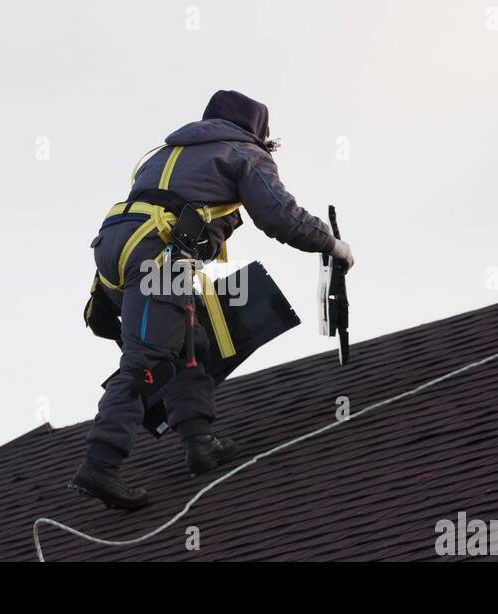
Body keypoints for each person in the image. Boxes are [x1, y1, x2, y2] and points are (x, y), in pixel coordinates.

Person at [70, 90, 355, 510]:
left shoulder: (166, 153)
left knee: (189, 339)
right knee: (147, 359)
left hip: (116, 248)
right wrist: (333, 246)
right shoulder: (243, 153)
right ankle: (101, 463)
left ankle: (200, 444)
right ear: (258, 133)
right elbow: (278, 215)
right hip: (159, 254)